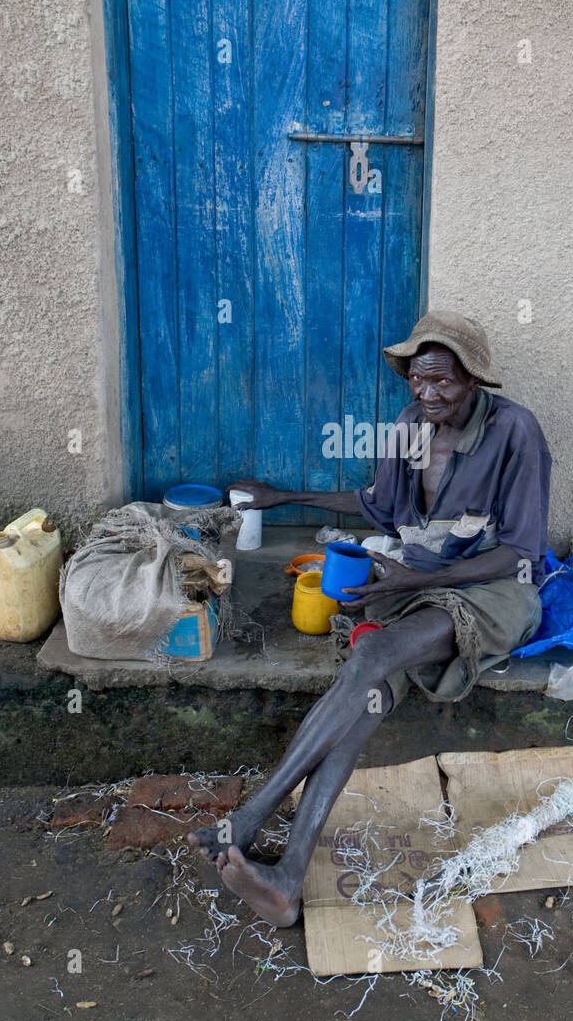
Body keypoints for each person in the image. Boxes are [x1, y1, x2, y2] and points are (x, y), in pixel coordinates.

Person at [189, 311, 552, 926]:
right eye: (417, 379)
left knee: (371, 656)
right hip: (416, 580)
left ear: (475, 381)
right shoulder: (412, 424)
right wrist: (283, 497)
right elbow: (378, 506)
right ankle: (286, 878)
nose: (427, 394)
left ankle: (250, 819)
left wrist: (421, 579)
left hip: (493, 593)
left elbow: (519, 550)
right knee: (367, 697)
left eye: (443, 383)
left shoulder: (516, 431)